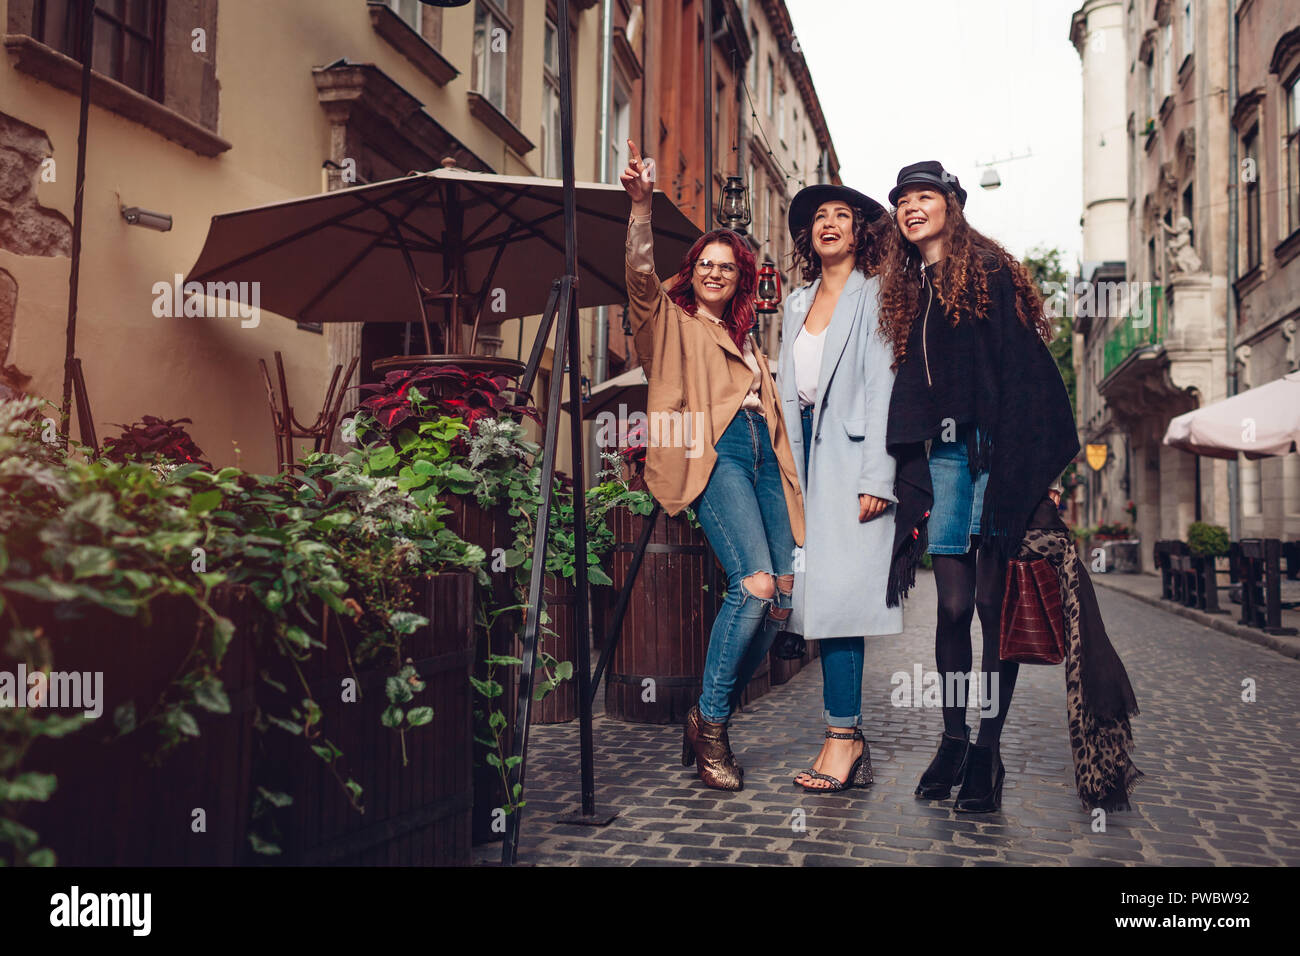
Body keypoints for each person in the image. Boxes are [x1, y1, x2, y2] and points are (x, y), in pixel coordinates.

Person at [879, 161, 1079, 813]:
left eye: (924, 196)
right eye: (903, 199)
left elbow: (1023, 371)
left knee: (995, 609)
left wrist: (1024, 470)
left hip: (994, 454)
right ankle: (954, 740)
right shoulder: (911, 289)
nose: (912, 207)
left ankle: (988, 755)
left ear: (951, 204)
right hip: (944, 459)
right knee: (953, 609)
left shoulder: (987, 271)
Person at [620, 140, 805, 791]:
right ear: (693, 270)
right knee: (752, 584)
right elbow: (641, 282)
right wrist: (641, 209)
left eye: (728, 266)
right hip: (716, 451)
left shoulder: (743, 339)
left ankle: (703, 711)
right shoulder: (669, 323)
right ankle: (715, 729)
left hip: (761, 456)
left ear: (741, 278)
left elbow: (774, 417)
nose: (717, 272)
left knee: (781, 598)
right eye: (707, 263)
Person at [774, 184, 899, 793]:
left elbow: (883, 386)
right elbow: (783, 385)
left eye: (841, 216)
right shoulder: (796, 304)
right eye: (819, 217)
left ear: (858, 233)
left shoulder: (875, 296)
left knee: (843, 605)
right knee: (816, 602)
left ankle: (843, 739)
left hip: (850, 463)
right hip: (800, 454)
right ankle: (842, 736)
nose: (828, 223)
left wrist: (879, 475)